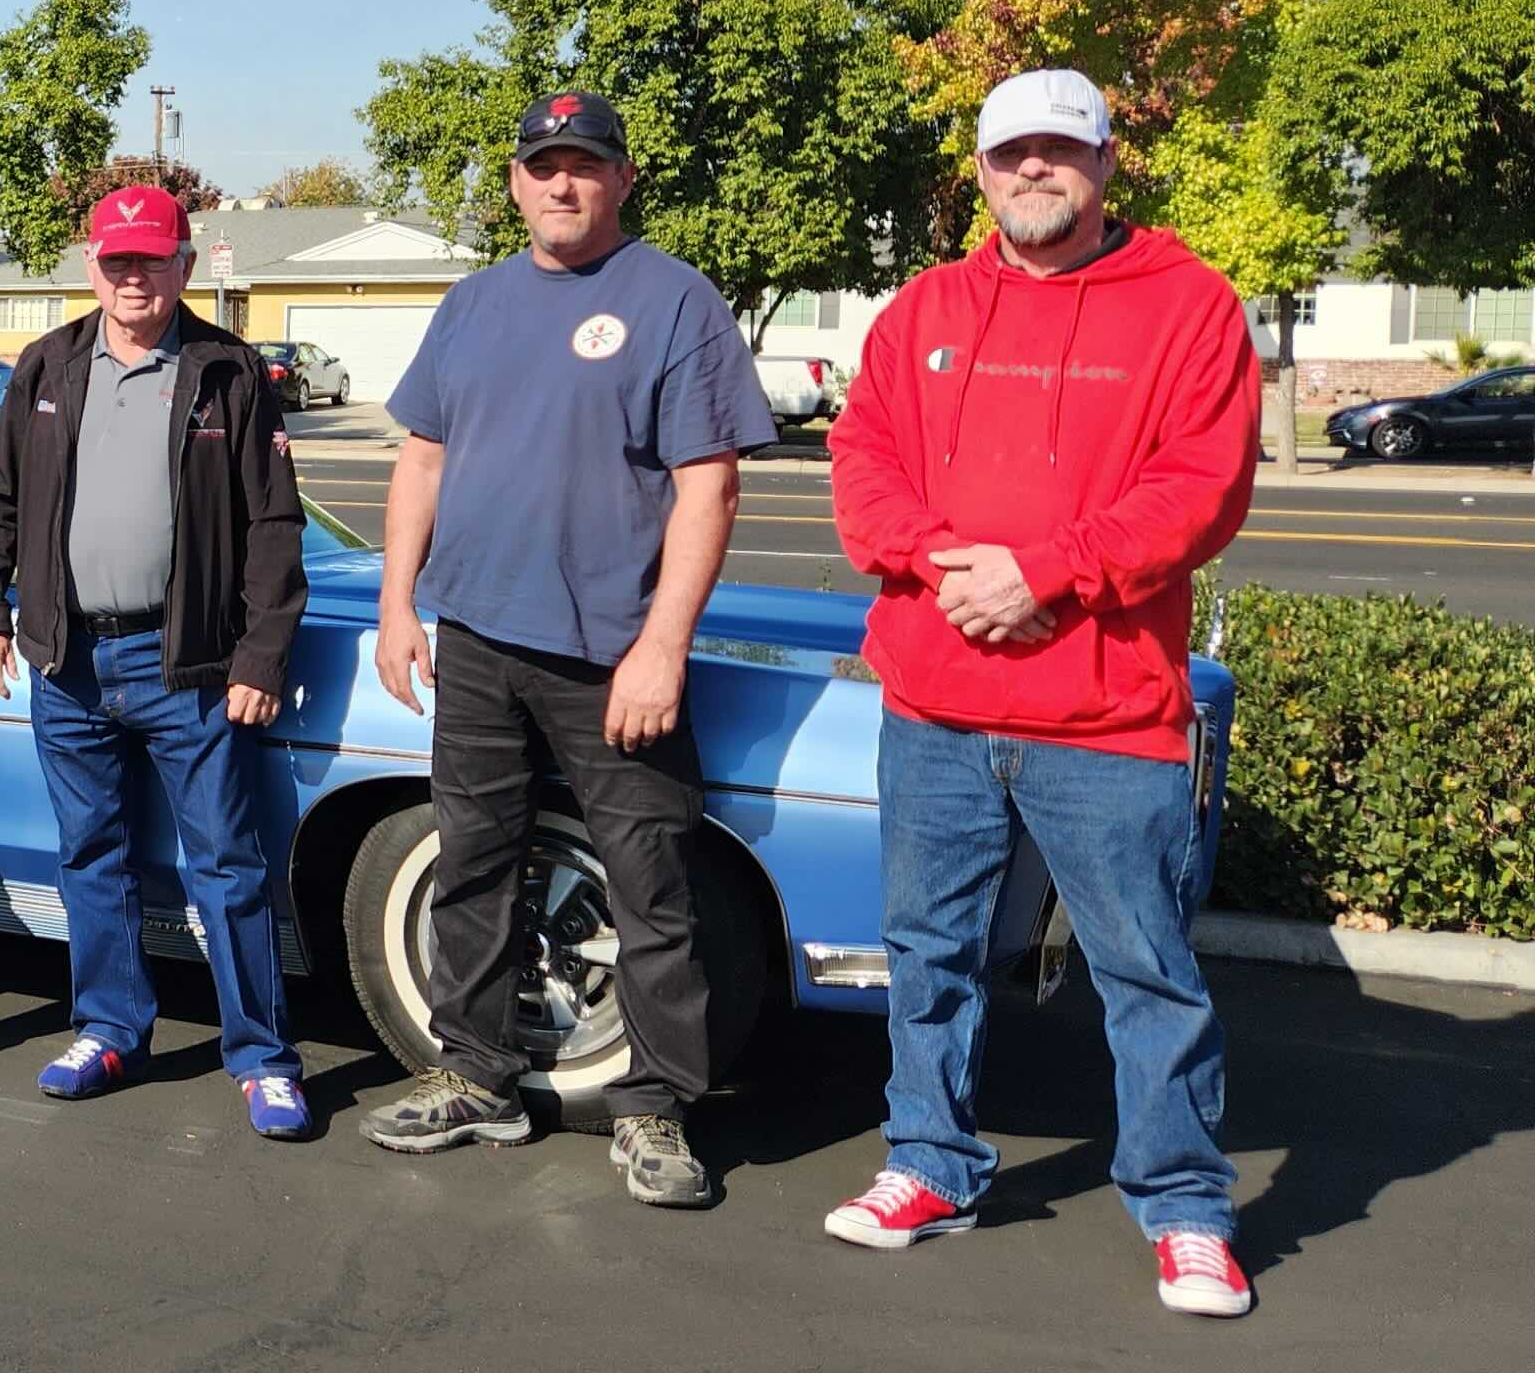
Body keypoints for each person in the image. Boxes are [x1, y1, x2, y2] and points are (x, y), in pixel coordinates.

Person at [822, 68, 1261, 1318]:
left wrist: (1044, 576)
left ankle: (1183, 1208)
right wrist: (930, 559)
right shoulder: (925, 309)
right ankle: (928, 1163)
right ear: (978, 170)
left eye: (1059, 152)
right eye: (1010, 152)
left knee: (1145, 971)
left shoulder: (1188, 307)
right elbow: (862, 457)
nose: (1033, 171)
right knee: (927, 953)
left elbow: (1199, 490)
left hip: (1105, 718)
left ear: (1108, 164)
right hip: (936, 708)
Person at [360, 90, 776, 1208]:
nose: (561, 183)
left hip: (609, 656)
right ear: (513, 181)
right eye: (541, 164)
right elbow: (422, 462)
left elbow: (709, 487)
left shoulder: (675, 301)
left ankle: (651, 1111)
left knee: (650, 885)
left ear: (621, 179)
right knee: (474, 864)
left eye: (583, 164)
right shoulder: (472, 304)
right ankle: (475, 1074)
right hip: (476, 641)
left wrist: (662, 649)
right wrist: (401, 605)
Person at [0, 182, 315, 1138]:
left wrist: (260, 654)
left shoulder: (228, 371)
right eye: (116, 262)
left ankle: (263, 1059)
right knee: (92, 857)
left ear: (183, 266)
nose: (132, 278)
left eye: (151, 261)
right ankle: (111, 1028)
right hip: (69, 662)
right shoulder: (45, 367)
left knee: (226, 866)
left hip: (187, 666)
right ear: (93, 267)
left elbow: (274, 528)